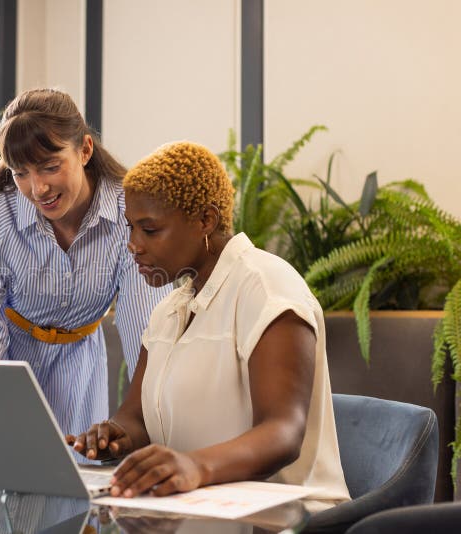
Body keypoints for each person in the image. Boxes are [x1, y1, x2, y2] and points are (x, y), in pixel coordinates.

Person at [68, 141, 350, 510]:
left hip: (284, 517)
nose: (133, 245)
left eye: (149, 230)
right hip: (195, 510)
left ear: (205, 220)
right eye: (131, 228)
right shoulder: (168, 311)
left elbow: (283, 432)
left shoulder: (268, 288)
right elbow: (135, 418)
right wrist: (115, 436)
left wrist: (194, 465)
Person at [0, 88, 169, 438]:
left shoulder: (128, 213)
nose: (38, 188)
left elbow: (147, 333)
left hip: (82, 371)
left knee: (74, 474)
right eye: (20, 173)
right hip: (5, 371)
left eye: (50, 167)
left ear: (85, 150)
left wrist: (144, 426)